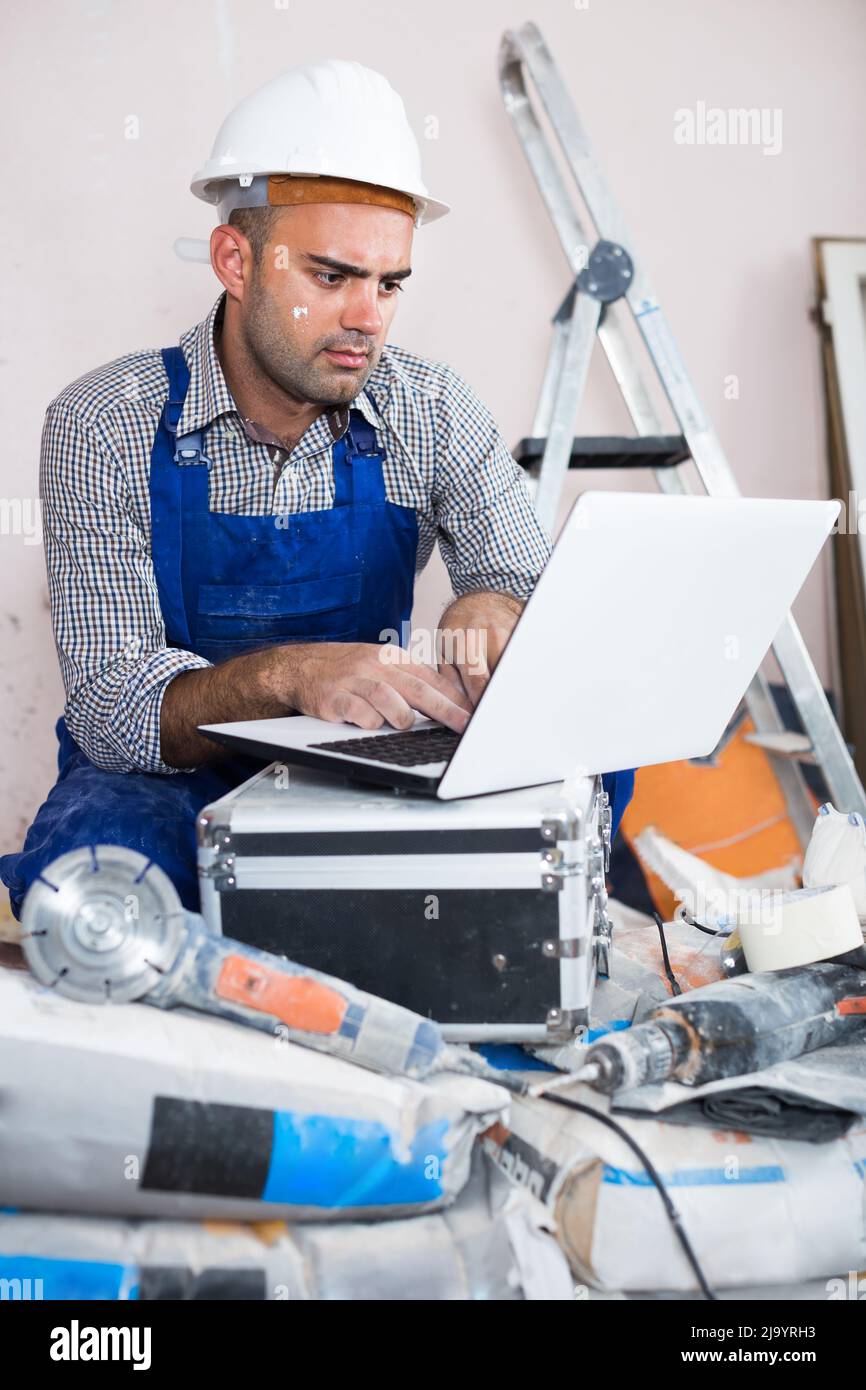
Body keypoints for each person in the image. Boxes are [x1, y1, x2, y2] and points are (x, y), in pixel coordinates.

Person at [1, 59, 633, 918]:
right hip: (174, 779)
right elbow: (115, 711)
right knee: (94, 880)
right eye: (331, 277)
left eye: (389, 283)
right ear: (236, 258)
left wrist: (493, 609)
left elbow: (539, 611)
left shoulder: (433, 407)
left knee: (601, 765)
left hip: (365, 764)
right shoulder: (104, 421)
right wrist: (290, 674)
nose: (368, 317)